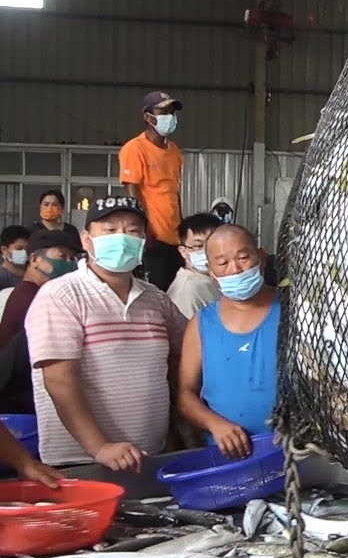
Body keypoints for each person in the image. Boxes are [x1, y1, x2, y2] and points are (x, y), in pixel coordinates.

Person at [25, 195, 187, 471]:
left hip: (148, 454)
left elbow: (183, 356)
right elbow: (59, 380)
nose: (122, 238)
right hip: (82, 461)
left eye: (133, 230)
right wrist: (99, 447)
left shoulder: (156, 299)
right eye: (110, 230)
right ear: (86, 240)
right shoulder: (61, 295)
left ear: (144, 241)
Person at [176, 225, 279, 459]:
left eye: (243, 258)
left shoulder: (295, 310)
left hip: (294, 452)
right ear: (211, 272)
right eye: (222, 263)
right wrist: (215, 425)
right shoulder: (201, 324)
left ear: (261, 257)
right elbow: (185, 396)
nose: (235, 269)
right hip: (229, 457)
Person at [0, 230, 82, 416]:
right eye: (61, 256)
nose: (68, 263)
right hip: (20, 405)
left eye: (72, 258)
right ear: (35, 260)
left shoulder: (28, 291)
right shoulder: (35, 298)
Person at [119, 91, 184, 292]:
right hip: (153, 239)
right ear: (148, 117)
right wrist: (143, 228)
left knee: (175, 293)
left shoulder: (174, 151)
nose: (169, 116)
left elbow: (174, 192)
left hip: (175, 236)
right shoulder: (135, 148)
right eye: (163, 112)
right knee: (155, 293)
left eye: (172, 112)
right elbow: (132, 190)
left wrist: (182, 230)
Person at [168, 213, 225, 319]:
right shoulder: (187, 291)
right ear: (183, 251)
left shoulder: (213, 279)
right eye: (198, 246)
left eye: (213, 243)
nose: (207, 250)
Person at [0, 226, 31, 291]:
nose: (24, 252)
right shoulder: (2, 277)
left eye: (27, 248)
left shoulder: (33, 272)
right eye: (19, 249)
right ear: (4, 250)